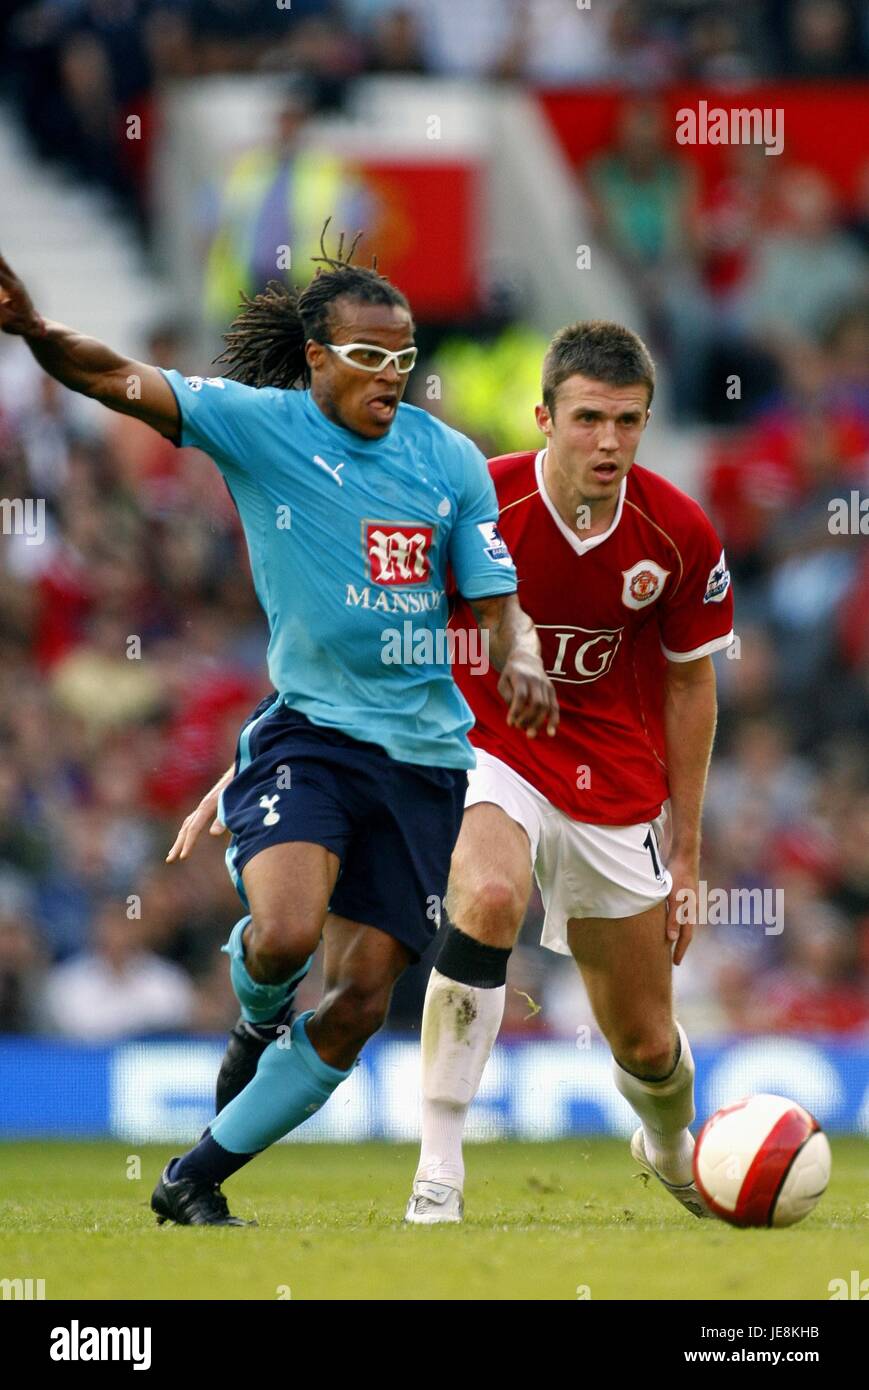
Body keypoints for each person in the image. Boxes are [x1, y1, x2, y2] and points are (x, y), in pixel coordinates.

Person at [0, 232, 558, 1226]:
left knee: (353, 1004)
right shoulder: (257, 425)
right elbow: (117, 379)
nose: (393, 374)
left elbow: (491, 596)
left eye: (404, 355)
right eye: (369, 355)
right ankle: (255, 1015)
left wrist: (513, 654)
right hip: (310, 735)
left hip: (425, 762)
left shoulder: (450, 460)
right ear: (316, 358)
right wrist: (39, 333)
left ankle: (191, 1178)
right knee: (286, 933)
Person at [177, 320, 735, 1225]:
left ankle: (670, 1144)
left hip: (614, 785)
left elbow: (689, 684)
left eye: (628, 422)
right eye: (588, 418)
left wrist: (690, 843)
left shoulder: (676, 533)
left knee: (644, 1042)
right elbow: (358, 635)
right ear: (543, 418)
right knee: (484, 898)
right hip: (483, 750)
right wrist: (269, 741)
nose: (607, 442)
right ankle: (439, 1169)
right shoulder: (474, 502)